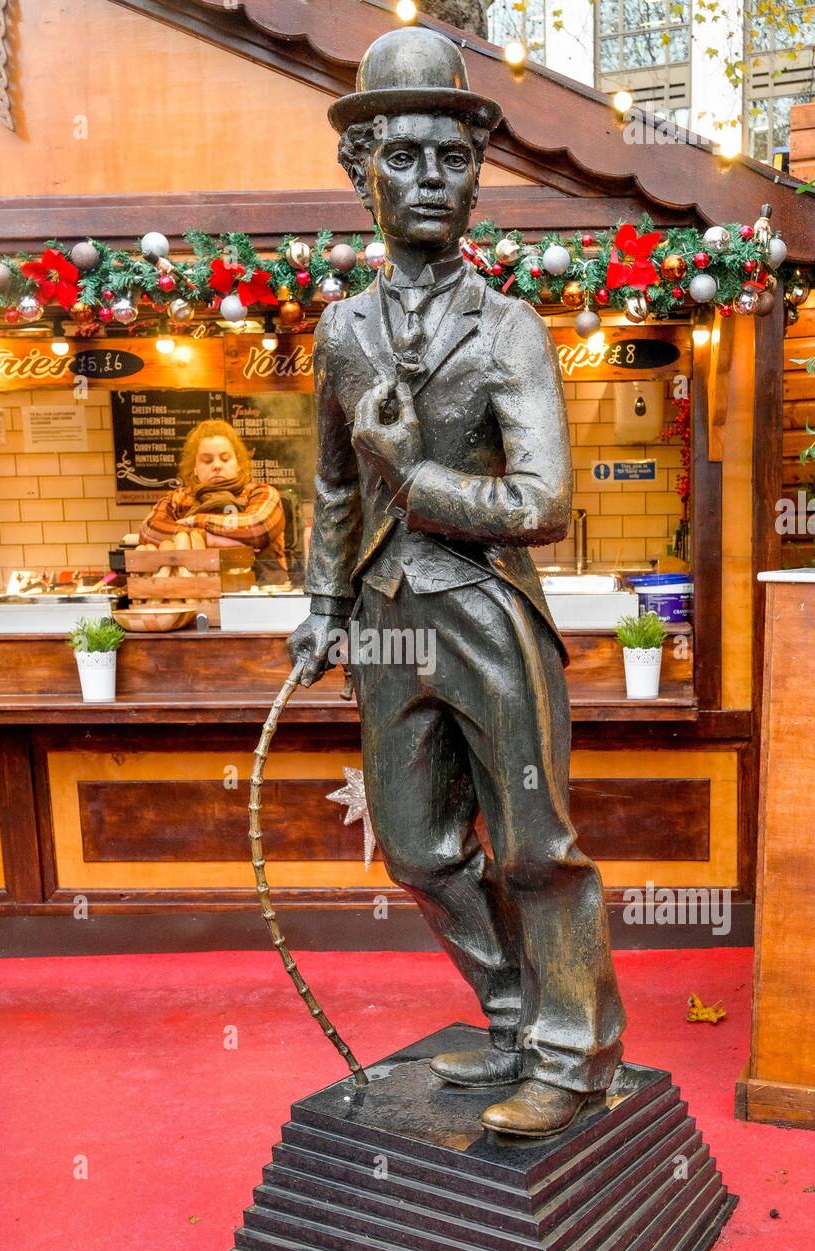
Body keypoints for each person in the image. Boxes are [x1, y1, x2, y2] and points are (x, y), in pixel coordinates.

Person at [287, 28, 626, 1137]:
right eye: (402, 157)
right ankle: (510, 1016)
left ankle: (574, 1056)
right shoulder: (340, 332)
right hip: (386, 625)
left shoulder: (509, 330)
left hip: (485, 618)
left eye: (450, 159)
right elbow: (335, 489)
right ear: (359, 172)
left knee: (533, 845)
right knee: (421, 848)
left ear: (476, 178)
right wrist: (324, 605)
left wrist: (417, 475)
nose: (428, 180)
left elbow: (539, 505)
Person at [139, 420, 287, 584]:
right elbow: (148, 531)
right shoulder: (177, 498)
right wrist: (211, 538)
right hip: (195, 597)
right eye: (207, 460)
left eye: (225, 458)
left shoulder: (260, 493)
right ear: (194, 467)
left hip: (259, 598)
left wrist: (192, 523)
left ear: (238, 463)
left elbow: (257, 527)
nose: (217, 466)